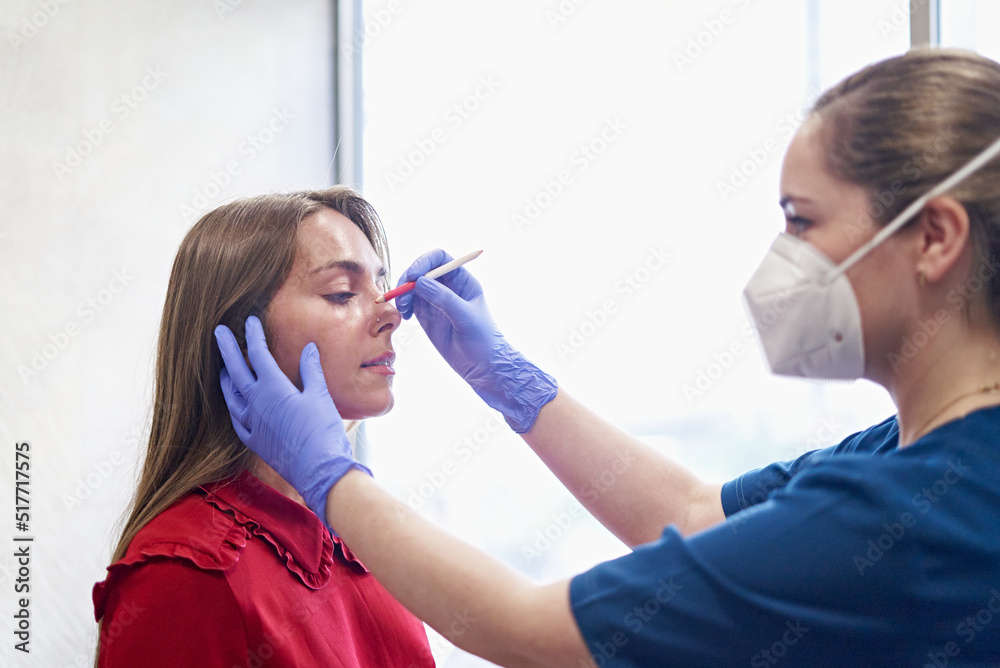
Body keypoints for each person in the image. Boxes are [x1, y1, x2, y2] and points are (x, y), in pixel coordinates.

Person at [214, 49, 1000, 666]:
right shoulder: (910, 454)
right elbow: (692, 515)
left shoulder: (916, 507)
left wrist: (330, 479)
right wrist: (512, 383)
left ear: (935, 239)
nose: (783, 254)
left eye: (802, 220)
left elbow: (527, 632)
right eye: (341, 292)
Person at [93, 187, 435, 667]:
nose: (391, 314)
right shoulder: (183, 571)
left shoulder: (363, 537)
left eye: (381, 286)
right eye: (342, 293)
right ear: (239, 334)